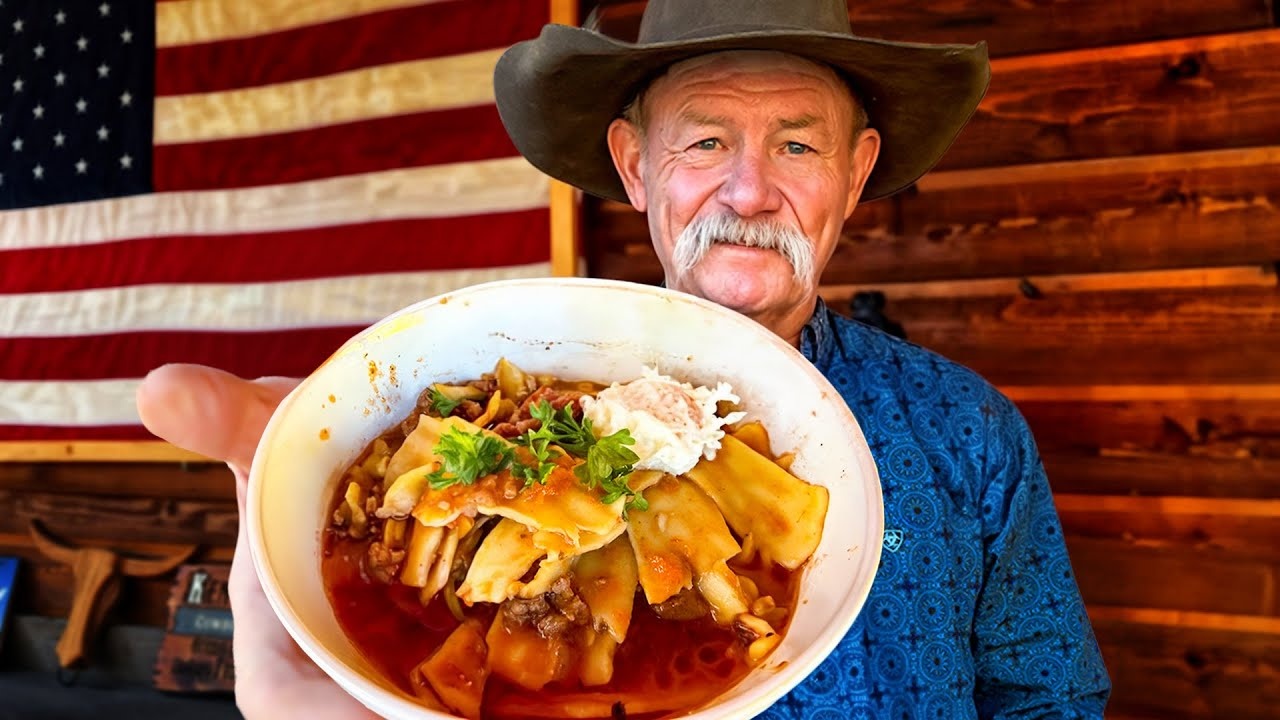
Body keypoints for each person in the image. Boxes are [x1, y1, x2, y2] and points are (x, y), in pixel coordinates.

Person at [137, 1, 1111, 717]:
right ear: (635, 166)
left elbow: (1049, 699)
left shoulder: (964, 431)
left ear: (854, 172)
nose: (748, 189)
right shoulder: (497, 392)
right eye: (703, 141)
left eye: (799, 145)